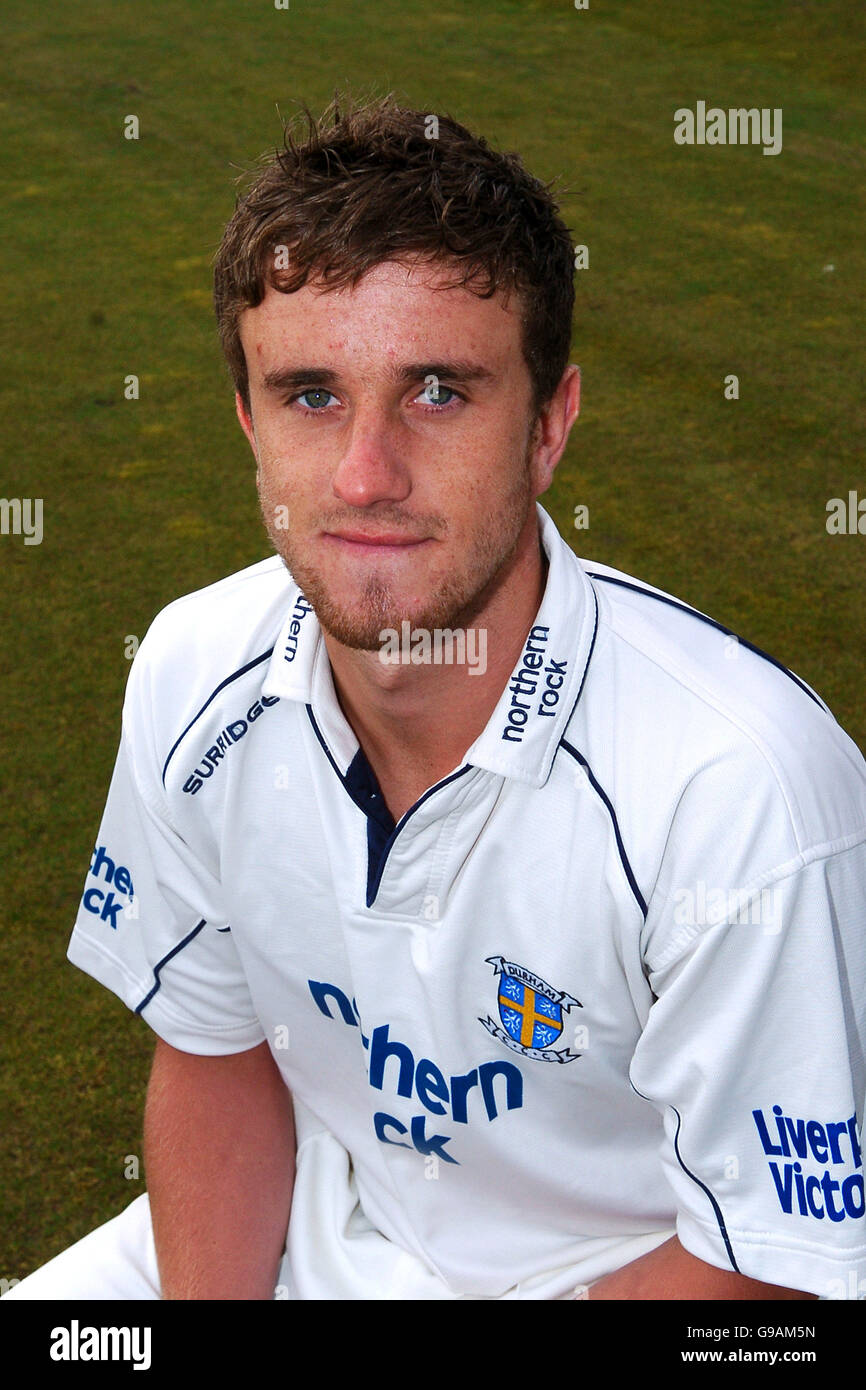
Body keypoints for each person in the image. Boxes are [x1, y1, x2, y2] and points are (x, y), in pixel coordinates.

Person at [5, 93, 864, 1302]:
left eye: (438, 392)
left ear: (548, 427)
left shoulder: (745, 793)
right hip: (313, 1215)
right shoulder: (194, 667)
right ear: (248, 424)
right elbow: (217, 1054)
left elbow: (773, 1268)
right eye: (312, 395)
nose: (365, 475)